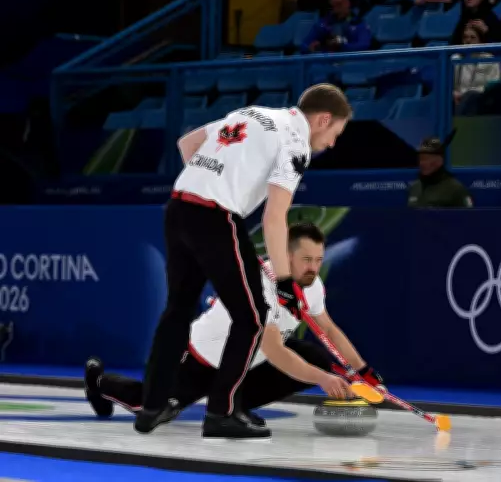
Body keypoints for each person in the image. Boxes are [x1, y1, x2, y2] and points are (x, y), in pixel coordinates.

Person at [135, 84, 352, 440]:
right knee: (252, 317)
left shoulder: (251, 114)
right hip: (215, 216)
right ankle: (221, 413)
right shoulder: (295, 142)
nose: (332, 143)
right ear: (322, 119)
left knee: (177, 309)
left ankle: (151, 406)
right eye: (335, 134)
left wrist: (215, 180)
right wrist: (284, 281)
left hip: (179, 206)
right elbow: (275, 217)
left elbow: (187, 144)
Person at [86, 223, 384, 428]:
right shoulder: (260, 285)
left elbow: (329, 329)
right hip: (202, 358)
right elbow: (274, 350)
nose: (314, 268)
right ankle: (98, 383)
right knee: (151, 409)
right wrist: (323, 379)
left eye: (318, 260)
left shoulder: (311, 283)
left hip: (245, 359)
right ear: (286, 255)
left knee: (316, 357)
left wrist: (363, 371)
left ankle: (236, 405)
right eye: (306, 260)